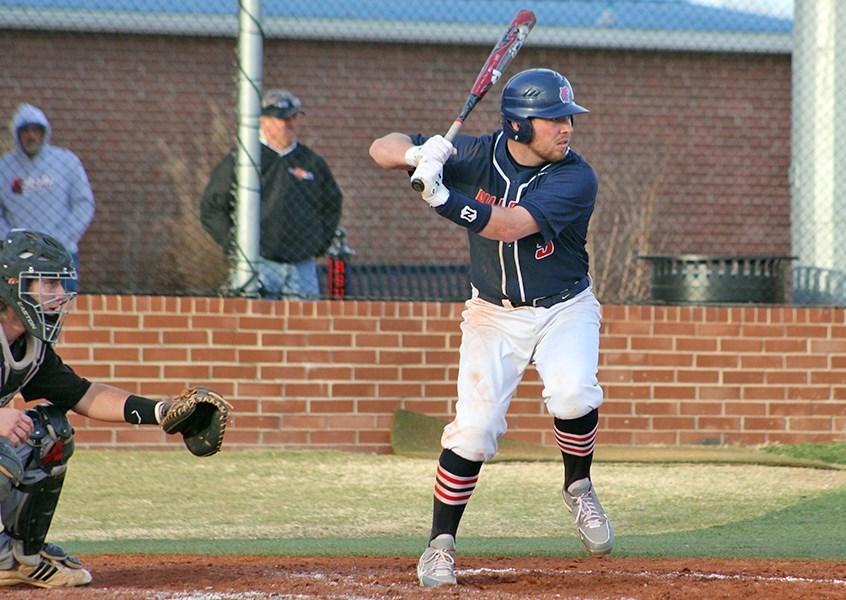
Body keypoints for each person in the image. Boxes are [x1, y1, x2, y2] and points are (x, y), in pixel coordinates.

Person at [369, 68, 612, 587]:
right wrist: (417, 154)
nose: (567, 128)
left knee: (573, 395)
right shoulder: (476, 153)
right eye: (554, 119)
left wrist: (442, 198)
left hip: (564, 307)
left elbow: (510, 226)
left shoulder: (576, 177)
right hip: (492, 314)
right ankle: (439, 546)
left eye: (569, 117)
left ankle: (578, 488)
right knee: (474, 433)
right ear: (520, 126)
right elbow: (378, 148)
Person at [0, 230, 223, 588]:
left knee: (51, 434)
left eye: (61, 285)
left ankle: (17, 558)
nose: (59, 296)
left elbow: (84, 395)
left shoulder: (30, 346)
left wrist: (163, 412)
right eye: (48, 284)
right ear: (12, 285)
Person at [201, 88, 343, 299]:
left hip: (301, 267)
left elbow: (332, 203)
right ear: (264, 121)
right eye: (284, 120)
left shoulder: (311, 162)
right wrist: (235, 244)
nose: (291, 124)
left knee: (304, 327)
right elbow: (212, 207)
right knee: (254, 324)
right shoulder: (244, 159)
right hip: (257, 263)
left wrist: (318, 243)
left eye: (294, 118)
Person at [0, 104, 95, 293]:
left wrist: (60, 239)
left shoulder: (67, 162)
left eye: (36, 130)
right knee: (19, 316)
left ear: (45, 132)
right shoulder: (4, 168)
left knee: (58, 312)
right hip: (19, 259)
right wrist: (12, 243)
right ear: (17, 135)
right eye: (25, 131)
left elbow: (83, 204)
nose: (31, 136)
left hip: (60, 254)